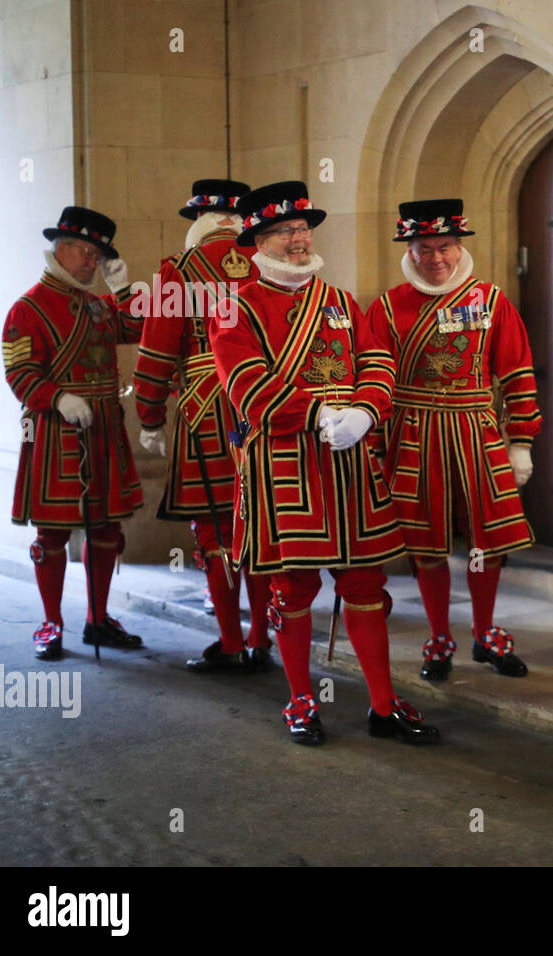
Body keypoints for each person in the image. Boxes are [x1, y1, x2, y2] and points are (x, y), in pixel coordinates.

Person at [208, 181, 437, 747]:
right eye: (286, 230)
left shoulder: (338, 301)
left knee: (365, 582)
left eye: (304, 229)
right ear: (258, 240)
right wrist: (315, 413)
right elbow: (246, 386)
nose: (299, 239)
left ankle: (382, 705)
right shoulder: (233, 306)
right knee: (294, 587)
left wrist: (365, 409)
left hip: (349, 461)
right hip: (285, 462)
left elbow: (377, 360)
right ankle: (301, 700)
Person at [369, 199, 542, 681]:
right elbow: (373, 382)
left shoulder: (491, 301)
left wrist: (521, 440)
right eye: (425, 248)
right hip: (413, 435)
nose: (437, 258)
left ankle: (485, 632)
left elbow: (517, 373)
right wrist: (373, 446)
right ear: (411, 249)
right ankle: (439, 635)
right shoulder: (387, 307)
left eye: (445, 246)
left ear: (459, 245)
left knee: (487, 542)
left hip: (477, 433)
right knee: (427, 546)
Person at [133, 178, 274, 673]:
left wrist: (149, 416)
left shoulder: (180, 269)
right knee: (257, 522)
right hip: (264, 405)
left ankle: (232, 642)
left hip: (206, 408)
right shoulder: (268, 260)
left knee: (215, 527)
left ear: (201, 219)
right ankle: (261, 634)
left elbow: (154, 354)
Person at [2, 206, 143, 660]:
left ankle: (98, 619)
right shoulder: (27, 308)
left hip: (103, 426)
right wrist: (58, 398)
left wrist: (124, 288)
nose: (91, 262)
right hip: (56, 431)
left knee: (107, 529)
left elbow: (138, 328)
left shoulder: (99, 304)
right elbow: (19, 371)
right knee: (52, 537)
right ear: (60, 250)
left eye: (97, 255)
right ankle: (51, 622)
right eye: (85, 252)